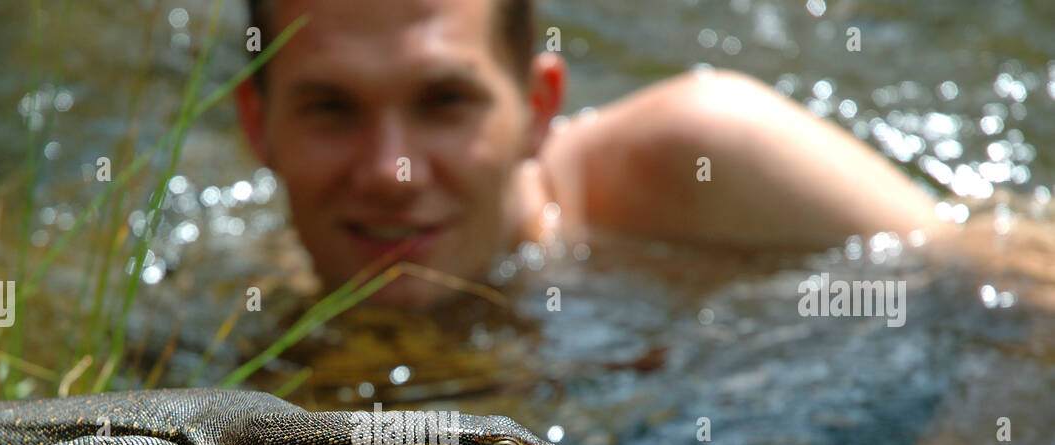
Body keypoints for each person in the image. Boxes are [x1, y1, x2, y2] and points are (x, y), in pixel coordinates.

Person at [234, 0, 948, 310]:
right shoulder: (233, 299)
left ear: (539, 107)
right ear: (257, 126)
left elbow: (1026, 285)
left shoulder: (706, 150)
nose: (392, 174)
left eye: (444, 102)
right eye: (331, 108)